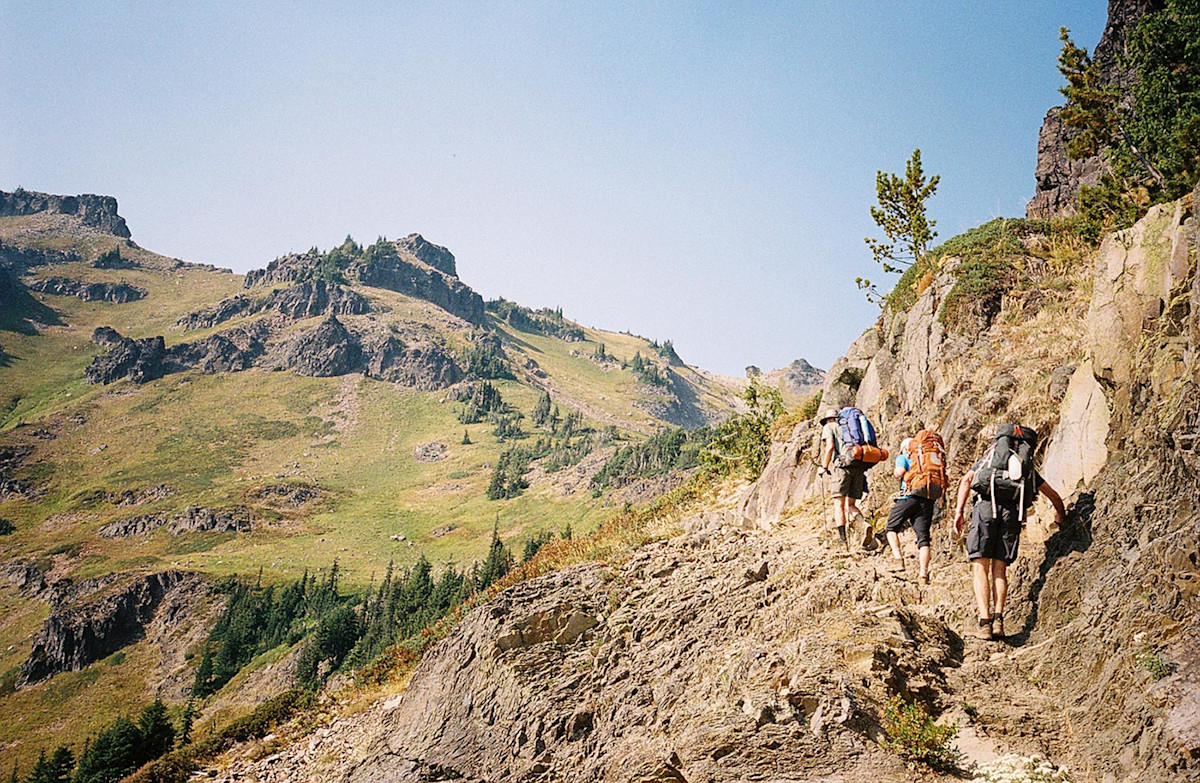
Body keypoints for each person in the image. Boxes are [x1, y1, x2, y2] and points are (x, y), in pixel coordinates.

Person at [953, 426, 1066, 641]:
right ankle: (998, 621)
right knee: (999, 569)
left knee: (980, 566)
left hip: (985, 508)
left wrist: (959, 512)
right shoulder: (1026, 469)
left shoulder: (988, 461)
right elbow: (1053, 496)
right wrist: (1061, 516)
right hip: (1012, 513)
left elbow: (966, 481)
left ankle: (984, 623)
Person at [885, 437, 935, 583]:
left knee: (891, 528)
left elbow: (900, 471)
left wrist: (896, 472)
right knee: (923, 539)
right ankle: (923, 574)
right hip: (927, 500)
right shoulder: (926, 460)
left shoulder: (903, 457)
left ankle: (898, 560)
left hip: (908, 497)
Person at [818, 408, 870, 548]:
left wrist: (824, 466)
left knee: (839, 505)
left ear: (827, 420)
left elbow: (830, 447)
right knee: (850, 504)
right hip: (857, 466)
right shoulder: (848, 427)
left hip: (842, 467)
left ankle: (843, 540)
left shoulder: (829, 427)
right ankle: (863, 524)